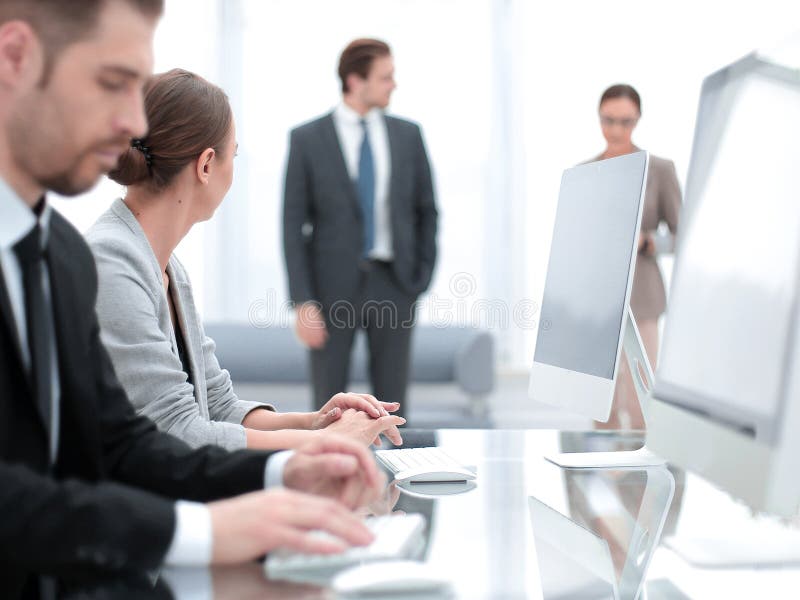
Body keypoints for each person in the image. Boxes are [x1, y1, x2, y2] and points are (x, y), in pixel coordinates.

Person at [0, 2, 385, 596]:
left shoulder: (66, 258)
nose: (131, 119)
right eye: (113, 81)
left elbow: (128, 439)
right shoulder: (103, 259)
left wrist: (299, 449)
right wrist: (210, 526)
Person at [86, 69, 405, 452]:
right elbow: (177, 430)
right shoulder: (111, 264)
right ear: (206, 165)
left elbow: (217, 405)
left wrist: (316, 422)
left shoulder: (167, 266)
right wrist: (323, 442)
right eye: (232, 155)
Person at [283, 38, 438, 419]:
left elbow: (427, 211)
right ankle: (326, 475)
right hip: (329, 289)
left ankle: (398, 477)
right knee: (328, 407)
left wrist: (419, 280)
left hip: (395, 284)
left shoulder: (408, 135)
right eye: (385, 77)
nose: (393, 84)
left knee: (394, 407)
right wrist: (303, 301)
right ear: (355, 80)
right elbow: (291, 224)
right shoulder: (307, 139)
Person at [589, 84, 681, 429]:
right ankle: (600, 478)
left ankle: (647, 477)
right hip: (599, 299)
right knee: (603, 402)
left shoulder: (659, 170)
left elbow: (680, 235)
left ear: (637, 119)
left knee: (642, 396)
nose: (616, 130)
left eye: (625, 122)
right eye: (608, 120)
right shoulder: (587, 172)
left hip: (643, 295)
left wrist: (647, 241)